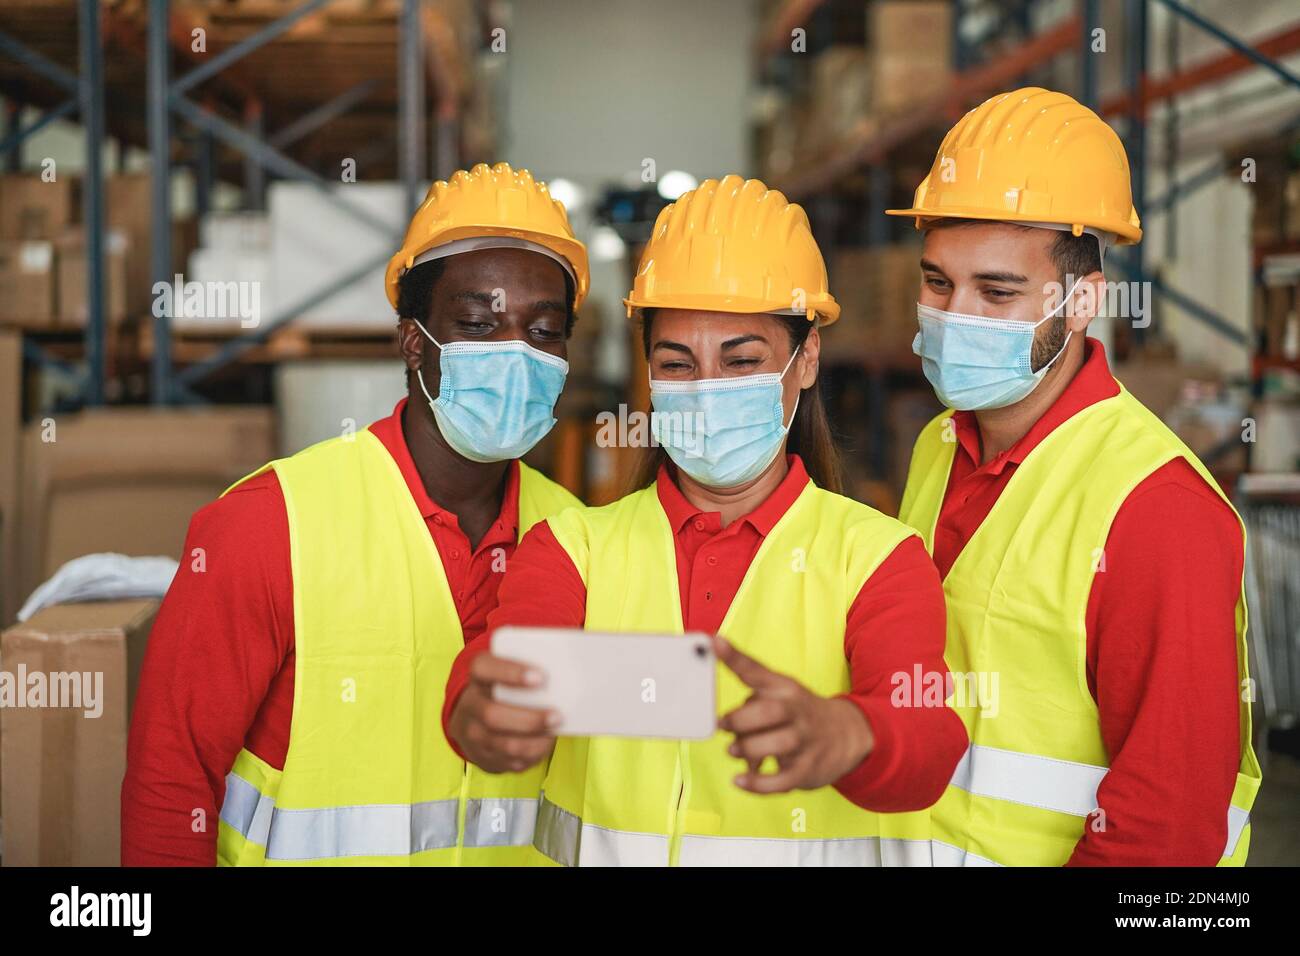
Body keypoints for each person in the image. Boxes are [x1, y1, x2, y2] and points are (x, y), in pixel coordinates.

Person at [444, 174, 968, 867]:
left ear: (805, 359)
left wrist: (851, 731)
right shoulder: (573, 549)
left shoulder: (876, 558)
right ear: (649, 375)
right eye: (677, 363)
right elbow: (499, 666)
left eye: (742, 360)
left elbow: (927, 737)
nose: (708, 390)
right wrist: (480, 712)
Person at [122, 162, 587, 866]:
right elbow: (170, 782)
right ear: (412, 341)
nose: (514, 354)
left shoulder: (580, 539)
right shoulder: (268, 525)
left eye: (543, 330)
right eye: (476, 324)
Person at [886, 87, 1261, 866]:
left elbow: (1167, 822)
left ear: (1084, 300)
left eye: (997, 291)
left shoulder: (1156, 507)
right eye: (937, 282)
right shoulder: (936, 444)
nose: (956, 315)